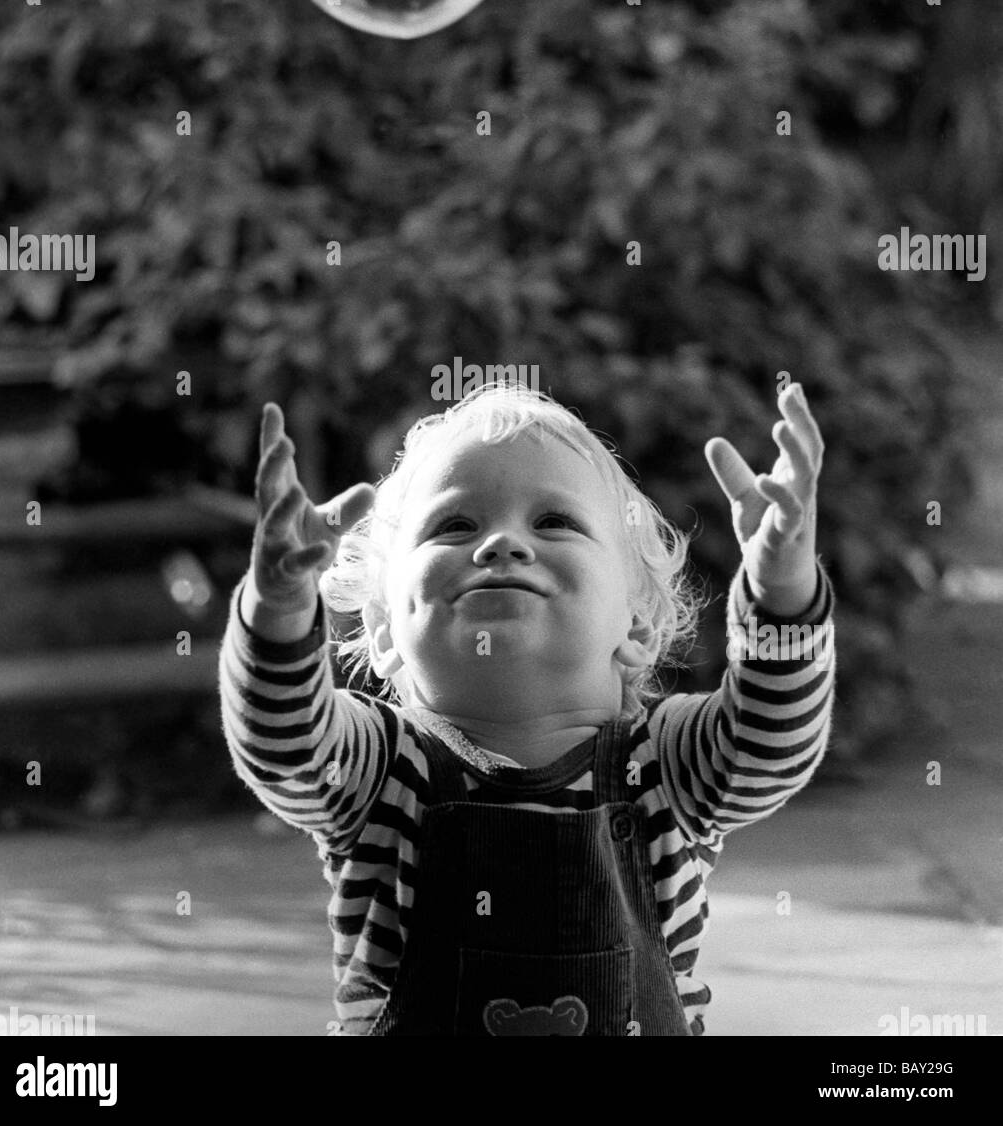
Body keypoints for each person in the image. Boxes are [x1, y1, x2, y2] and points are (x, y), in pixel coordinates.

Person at [219, 380, 834, 1036]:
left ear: (637, 625)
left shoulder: (666, 763)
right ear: (382, 630)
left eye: (553, 522)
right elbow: (285, 749)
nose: (502, 545)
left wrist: (781, 590)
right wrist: (278, 606)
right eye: (455, 524)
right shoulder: (378, 767)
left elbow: (769, 744)